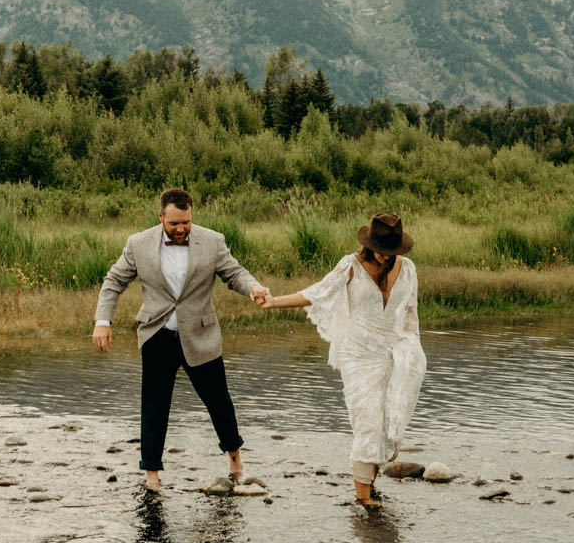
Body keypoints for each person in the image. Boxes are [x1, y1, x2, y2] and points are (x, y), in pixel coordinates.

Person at [92, 187, 270, 492]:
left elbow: (234, 273)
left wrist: (253, 287)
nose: (180, 229)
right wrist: (102, 321)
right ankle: (151, 476)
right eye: (174, 223)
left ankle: (236, 462)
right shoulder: (138, 244)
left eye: (185, 222)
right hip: (156, 334)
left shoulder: (212, 241)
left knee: (219, 403)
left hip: (201, 334)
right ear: (160, 216)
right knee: (154, 406)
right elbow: (114, 282)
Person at [257, 213, 425, 510]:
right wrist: (274, 301)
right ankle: (363, 499)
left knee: (389, 420)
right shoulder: (350, 266)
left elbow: (410, 315)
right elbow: (317, 293)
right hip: (358, 353)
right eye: (381, 250)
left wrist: (413, 353)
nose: (386, 257)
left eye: (392, 252)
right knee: (368, 420)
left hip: (396, 351)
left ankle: (370, 484)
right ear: (369, 243)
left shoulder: (408, 269)